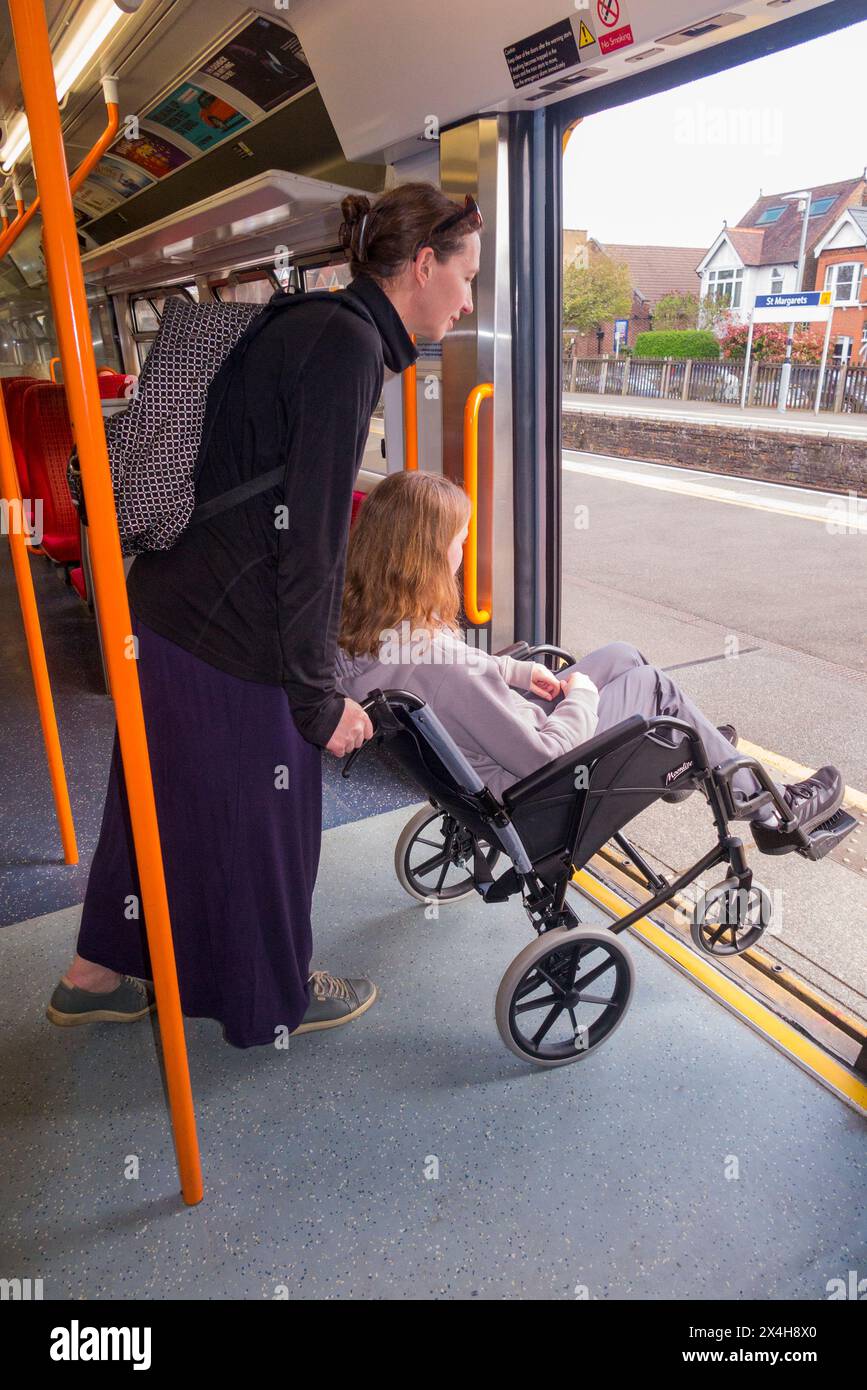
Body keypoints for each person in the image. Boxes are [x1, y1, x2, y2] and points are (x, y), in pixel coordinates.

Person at [47, 183, 483, 1045]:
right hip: (227, 631)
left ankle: (94, 975)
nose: (469, 300)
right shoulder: (349, 347)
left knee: (155, 799)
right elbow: (314, 540)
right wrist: (317, 701)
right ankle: (269, 1000)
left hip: (170, 608)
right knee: (270, 824)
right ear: (423, 266)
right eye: (465, 277)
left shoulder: (308, 320)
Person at [335, 472, 844, 850]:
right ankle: (771, 813)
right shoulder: (443, 666)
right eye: (459, 542)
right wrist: (580, 697)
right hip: (537, 789)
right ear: (426, 557)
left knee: (621, 655)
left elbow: (452, 671)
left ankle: (702, 758)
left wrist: (515, 671)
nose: (463, 552)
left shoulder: (365, 625)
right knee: (653, 686)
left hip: (491, 752)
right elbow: (541, 758)